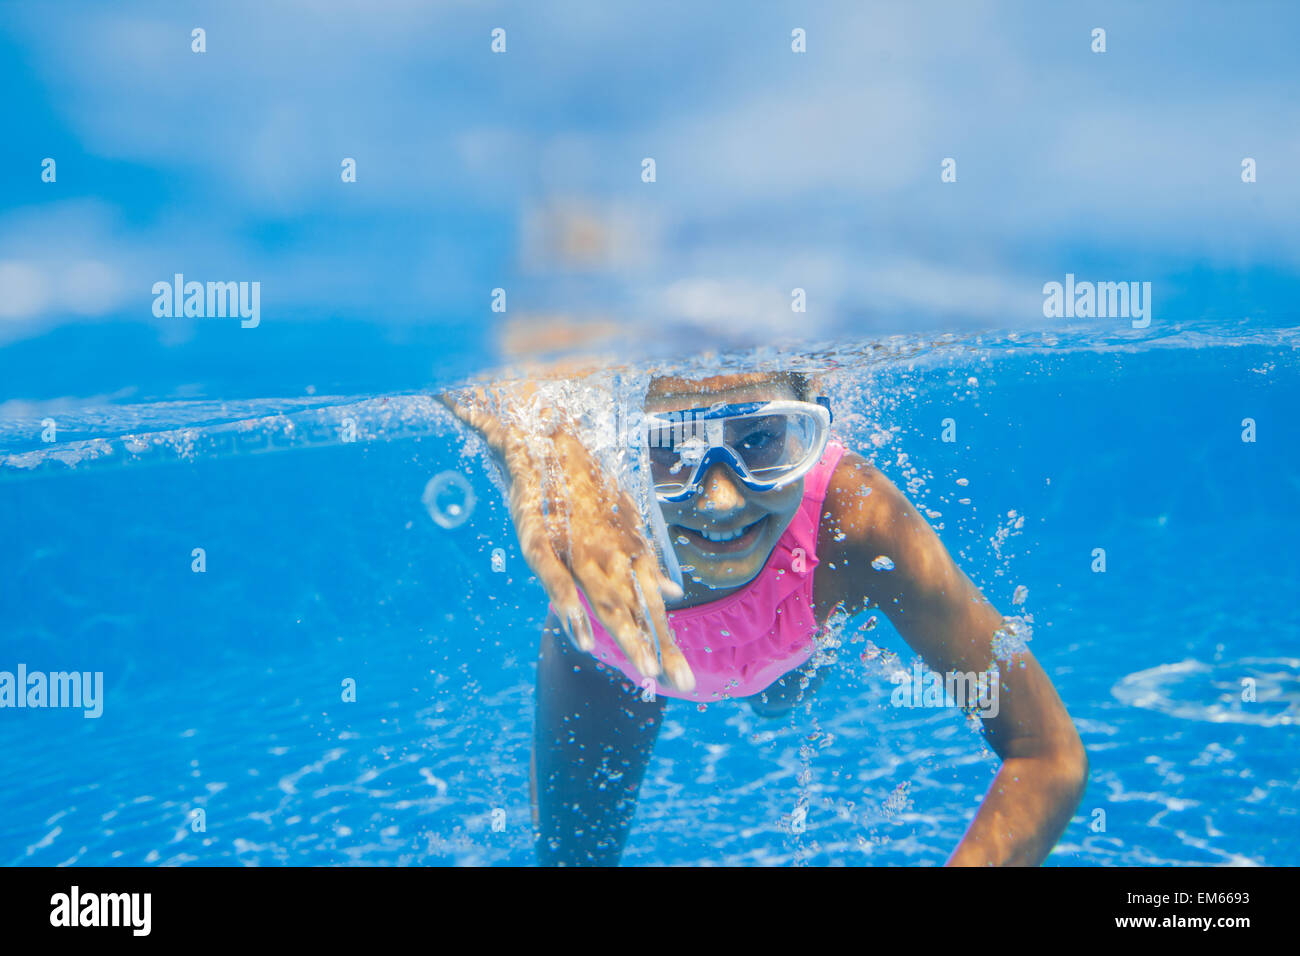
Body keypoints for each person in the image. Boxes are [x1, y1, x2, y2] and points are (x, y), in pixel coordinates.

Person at [440, 366, 1088, 866]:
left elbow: (1047, 754)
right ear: (619, 446)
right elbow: (473, 381)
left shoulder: (855, 525)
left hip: (790, 636)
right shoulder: (585, 499)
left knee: (782, 689)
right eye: (672, 446)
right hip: (615, 650)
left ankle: (779, 678)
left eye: (760, 439)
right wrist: (531, 453)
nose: (721, 500)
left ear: (811, 428)